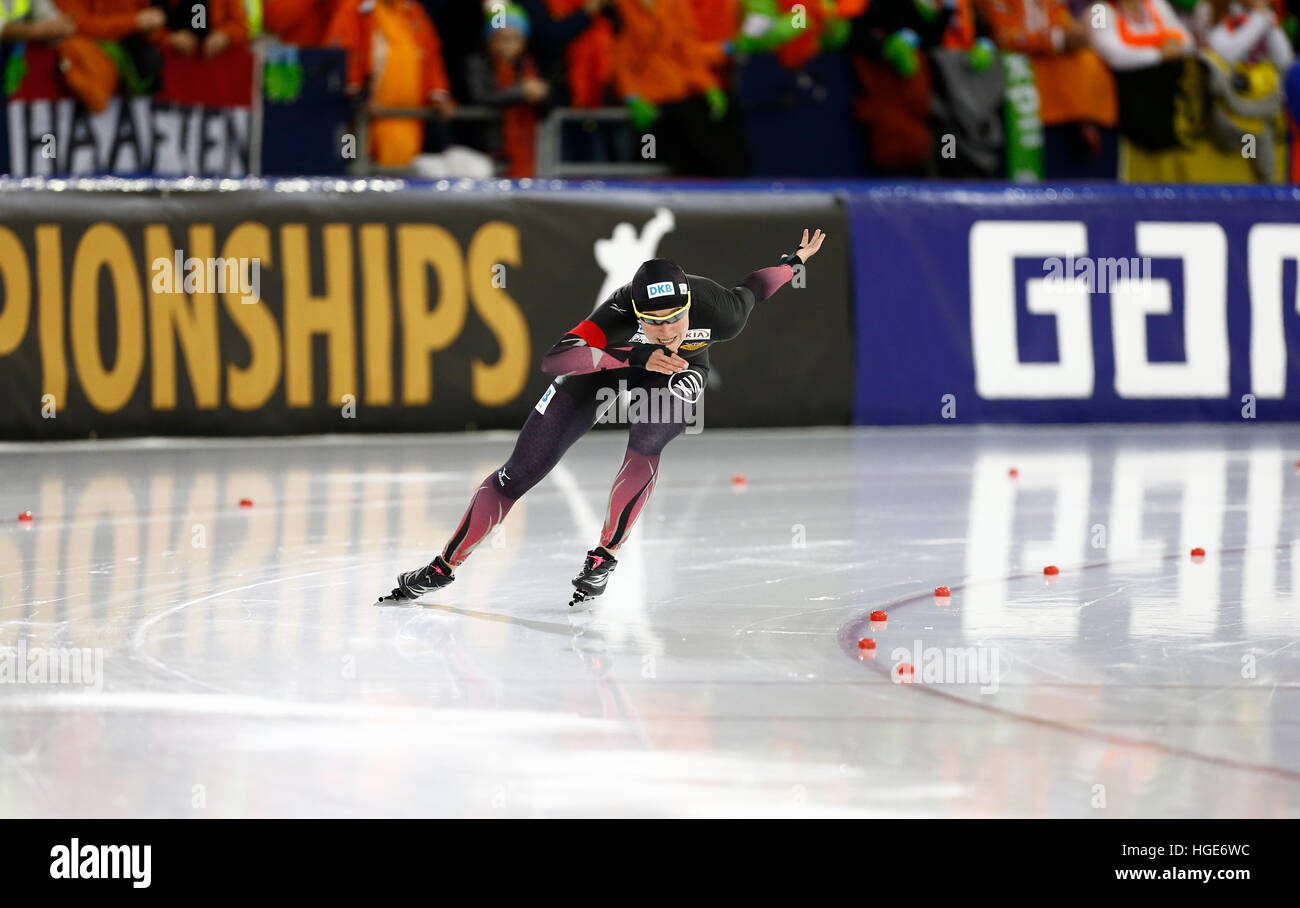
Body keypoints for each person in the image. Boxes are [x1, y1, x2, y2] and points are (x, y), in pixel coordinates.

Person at [379, 228, 827, 608]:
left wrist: (794, 262)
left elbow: (756, 286)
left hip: (675, 373)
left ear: (692, 305)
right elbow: (556, 360)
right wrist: (635, 352)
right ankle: (443, 566)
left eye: (676, 319)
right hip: (605, 366)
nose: (669, 331)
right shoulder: (616, 310)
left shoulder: (719, 310)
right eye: (654, 322)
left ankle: (604, 555)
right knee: (518, 474)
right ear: (636, 314)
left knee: (648, 440)